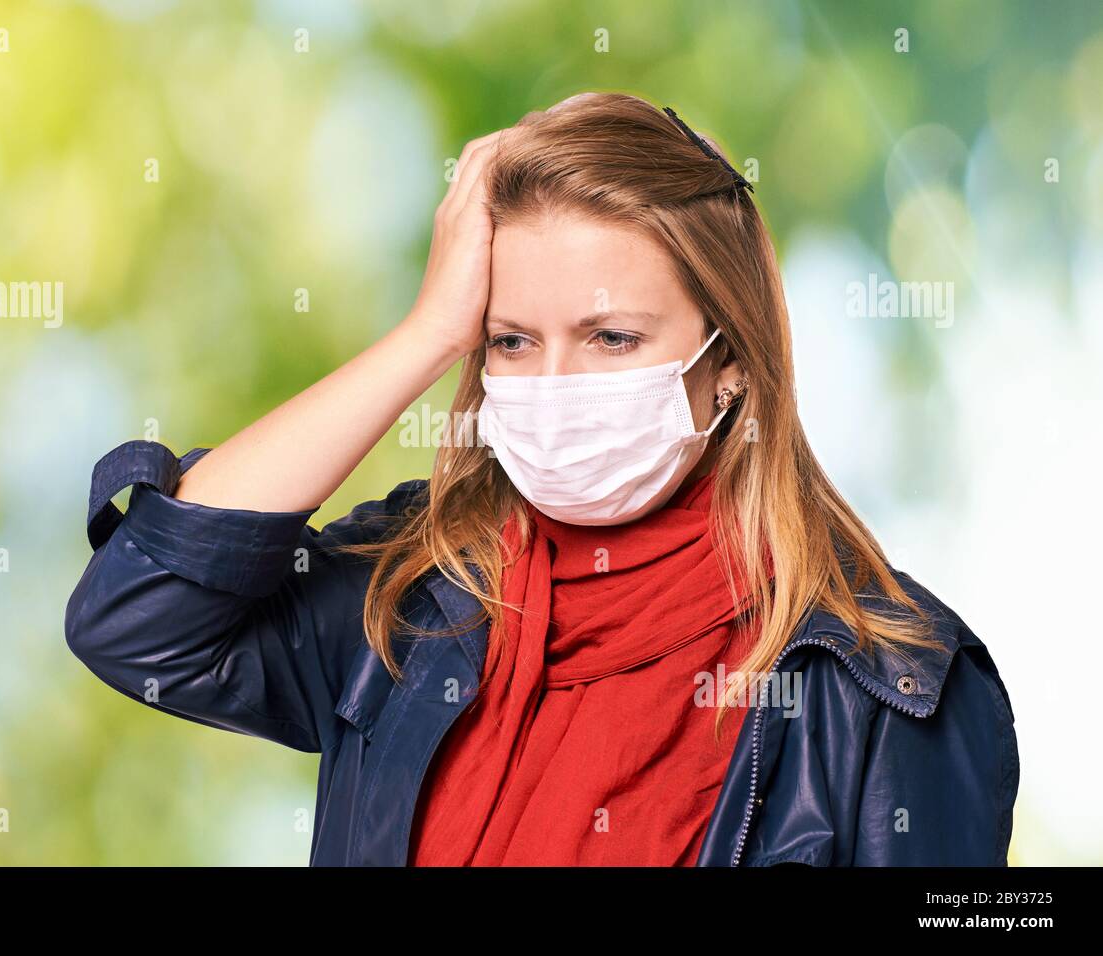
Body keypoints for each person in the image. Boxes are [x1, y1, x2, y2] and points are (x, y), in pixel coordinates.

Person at [64, 92, 1018, 866]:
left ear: (730, 365)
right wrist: (428, 333)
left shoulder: (893, 687)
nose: (555, 386)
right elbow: (140, 620)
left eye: (612, 338)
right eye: (512, 341)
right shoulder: (420, 594)